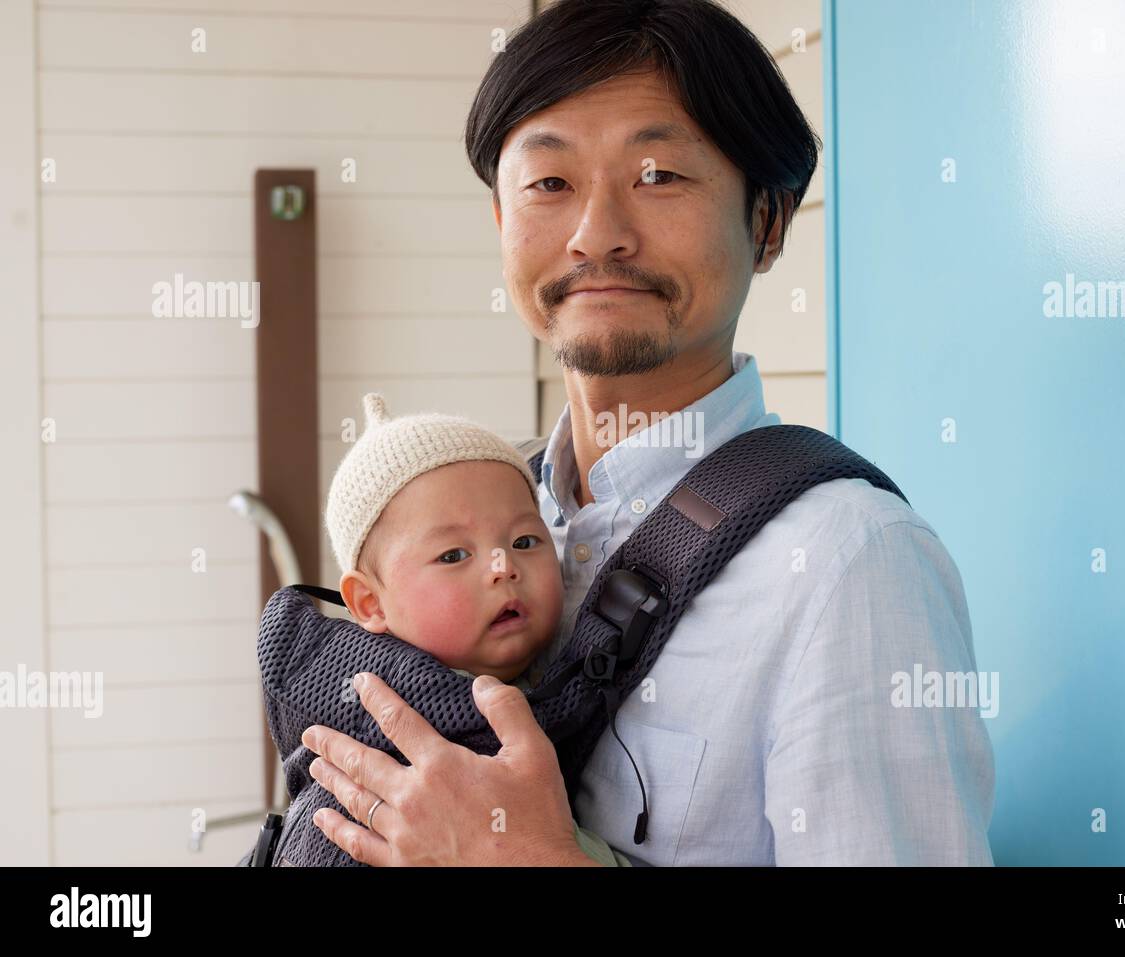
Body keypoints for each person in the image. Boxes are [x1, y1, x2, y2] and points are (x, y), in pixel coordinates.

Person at [300, 0, 995, 866]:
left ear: (769, 222)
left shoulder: (850, 562)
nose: (598, 235)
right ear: (501, 225)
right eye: (549, 184)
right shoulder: (479, 520)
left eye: (659, 174)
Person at [256, 392, 630, 866]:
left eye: (524, 540)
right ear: (370, 603)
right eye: (453, 555)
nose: (502, 567)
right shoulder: (430, 727)